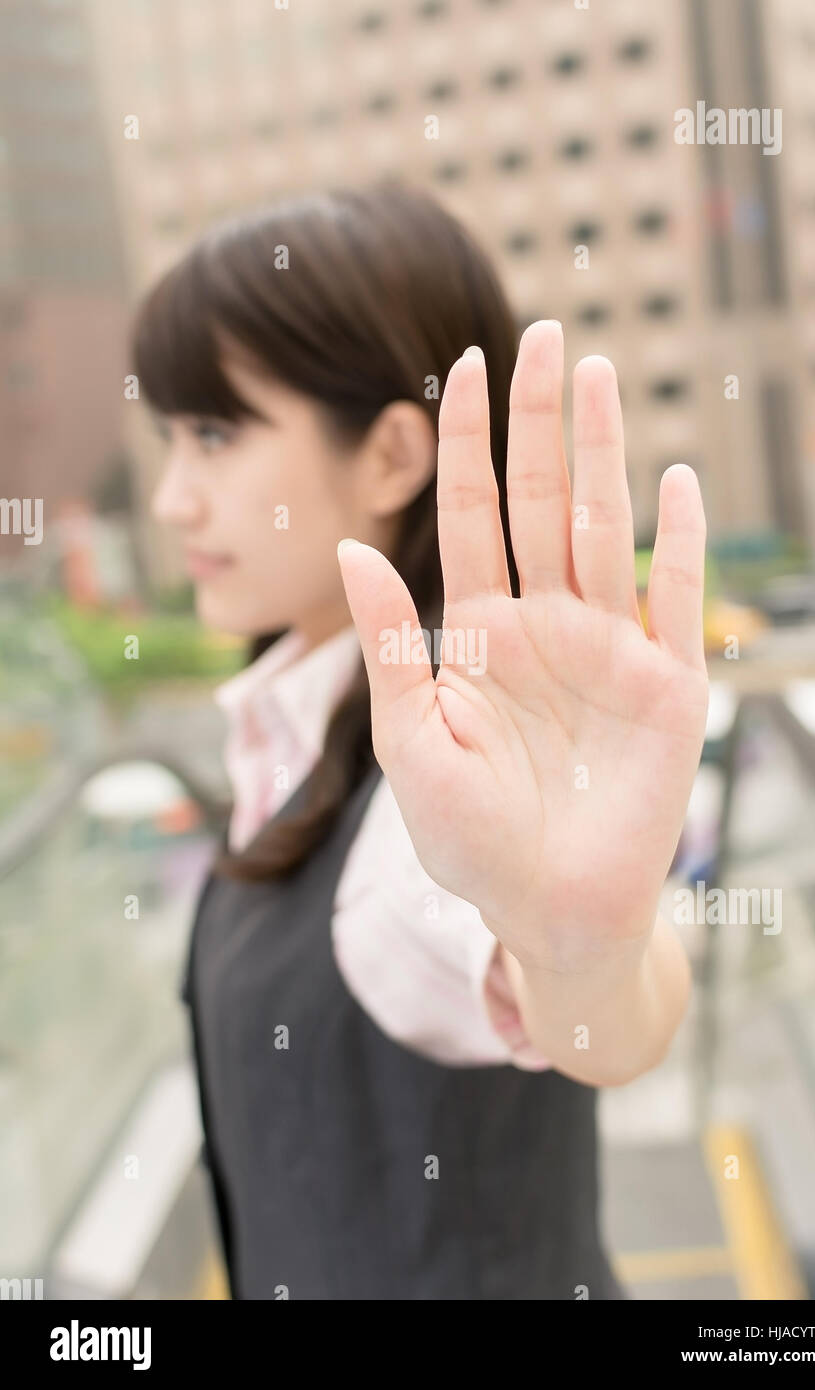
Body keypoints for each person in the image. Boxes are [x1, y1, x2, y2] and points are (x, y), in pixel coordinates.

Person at [131, 181, 709, 1300]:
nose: (170, 500)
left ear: (394, 454)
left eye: (212, 434)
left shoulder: (437, 767)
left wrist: (578, 951)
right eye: (168, 438)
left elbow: (599, 1015)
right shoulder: (299, 716)